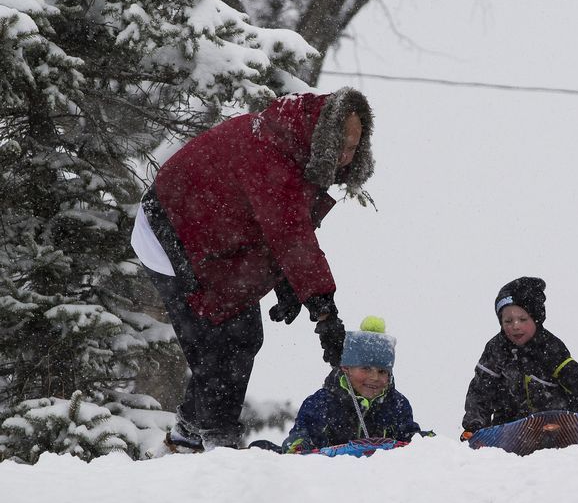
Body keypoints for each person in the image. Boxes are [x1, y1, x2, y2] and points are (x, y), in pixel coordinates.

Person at [131, 88, 375, 452]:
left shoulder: (298, 147)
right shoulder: (274, 152)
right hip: (171, 231)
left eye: (353, 147)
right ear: (324, 134)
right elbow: (291, 233)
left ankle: (189, 434)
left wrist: (288, 285)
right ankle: (217, 445)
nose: (344, 156)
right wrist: (325, 315)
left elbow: (277, 226)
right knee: (216, 344)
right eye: (340, 144)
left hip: (220, 246)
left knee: (244, 336)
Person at [461, 277, 578, 440]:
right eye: (507, 321)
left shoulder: (550, 349)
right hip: (510, 431)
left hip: (555, 427)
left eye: (522, 319)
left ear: (536, 318)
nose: (515, 326)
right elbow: (480, 392)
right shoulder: (496, 349)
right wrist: (474, 427)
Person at [282, 317, 422, 453]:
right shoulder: (321, 404)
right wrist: (299, 444)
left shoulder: (396, 405)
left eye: (382, 371)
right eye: (366, 368)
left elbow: (410, 438)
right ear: (346, 368)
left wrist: (425, 441)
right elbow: (302, 434)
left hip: (379, 475)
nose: (374, 377)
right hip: (332, 474)